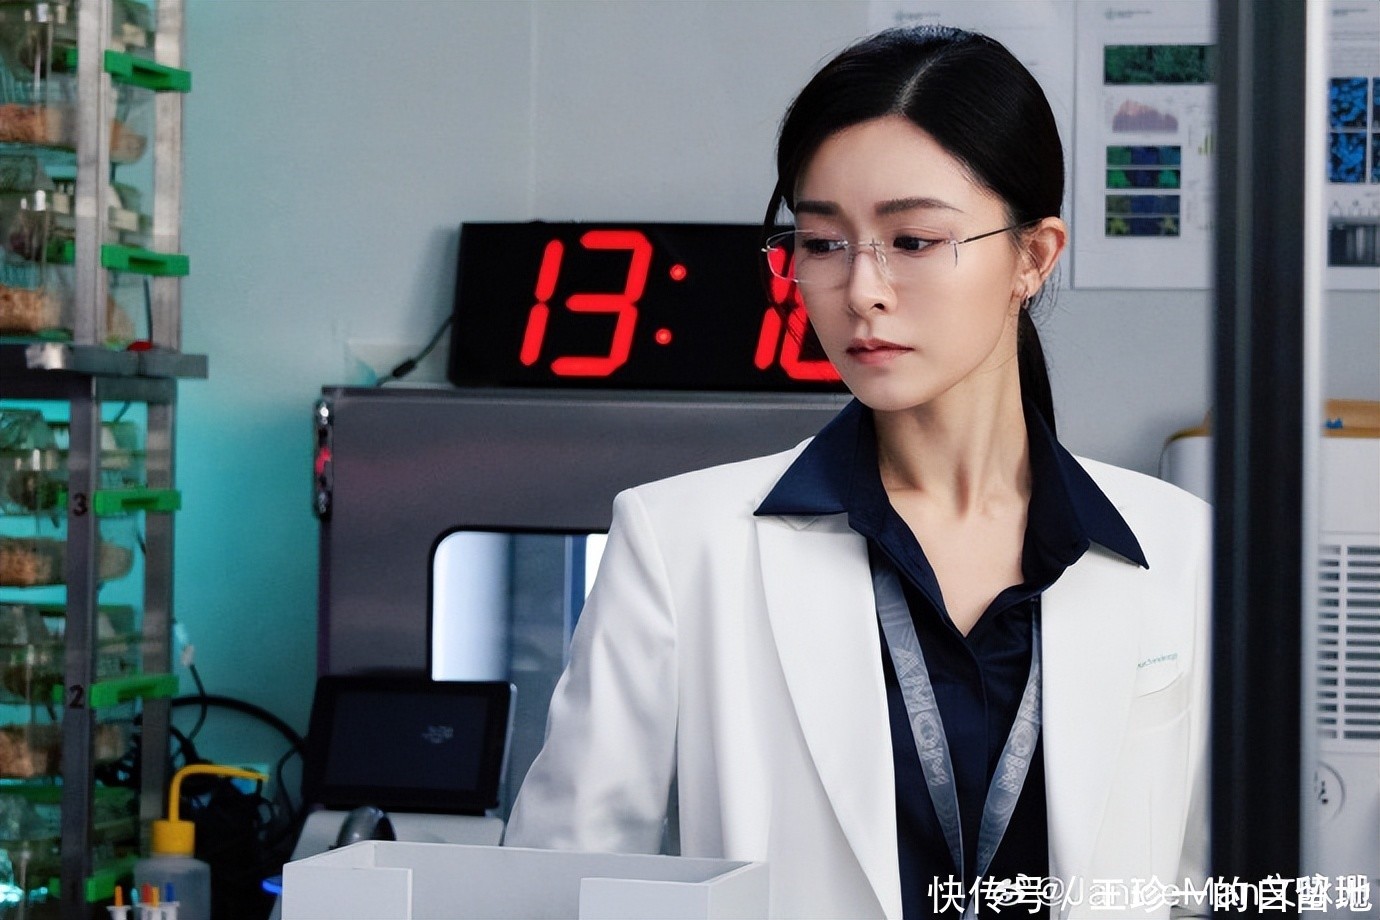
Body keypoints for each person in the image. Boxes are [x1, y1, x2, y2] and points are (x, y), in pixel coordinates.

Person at [505, 25, 1210, 920]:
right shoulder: (680, 547)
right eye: (822, 242)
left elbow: (1209, 884)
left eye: (912, 240)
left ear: (1033, 257)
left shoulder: (1182, 547)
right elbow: (554, 890)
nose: (861, 291)